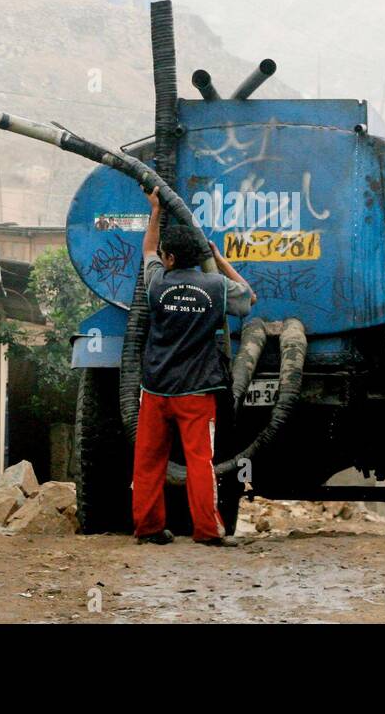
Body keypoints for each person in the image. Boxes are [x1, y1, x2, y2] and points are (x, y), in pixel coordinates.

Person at [133, 187, 255, 547]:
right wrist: (218, 260)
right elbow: (249, 298)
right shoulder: (216, 287)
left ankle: (148, 528)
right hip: (197, 393)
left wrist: (155, 211)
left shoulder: (156, 283)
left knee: (148, 462)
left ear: (169, 258)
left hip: (155, 390)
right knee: (200, 463)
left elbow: (146, 250)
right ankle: (206, 531)